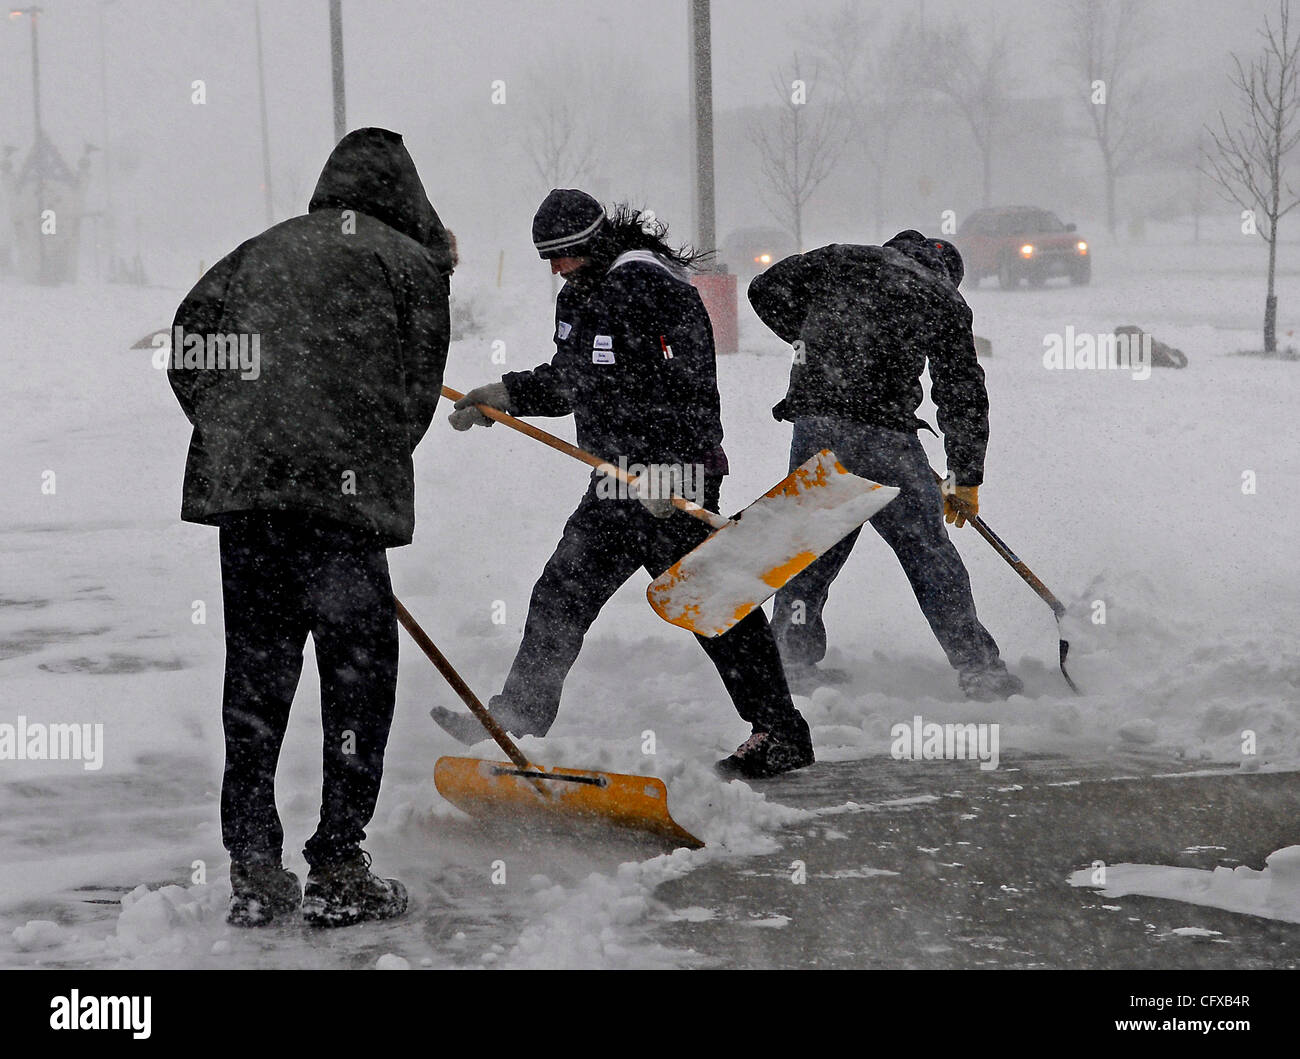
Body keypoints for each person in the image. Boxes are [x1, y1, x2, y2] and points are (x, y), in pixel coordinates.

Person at [167, 128, 453, 927]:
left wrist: (240, 434)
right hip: (342, 505)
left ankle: (254, 866)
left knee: (256, 680)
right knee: (357, 683)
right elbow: (416, 395)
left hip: (249, 501)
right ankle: (337, 863)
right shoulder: (407, 260)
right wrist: (356, 450)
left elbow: (187, 350)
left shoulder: (255, 252)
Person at [444, 188, 813, 778]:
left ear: (591, 243)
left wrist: (672, 471)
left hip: (675, 480)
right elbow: (571, 378)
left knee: (713, 606)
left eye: (562, 255)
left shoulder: (651, 286)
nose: (555, 268)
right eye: (547, 259)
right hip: (615, 481)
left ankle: (780, 731)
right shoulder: (578, 296)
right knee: (561, 593)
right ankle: (516, 721)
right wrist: (506, 394)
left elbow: (696, 385)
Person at [748, 230, 1024, 702]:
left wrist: (811, 336)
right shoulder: (943, 298)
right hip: (884, 435)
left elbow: (763, 290)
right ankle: (979, 669)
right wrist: (965, 476)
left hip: (817, 425)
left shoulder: (839, 257)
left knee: (811, 546)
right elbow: (960, 393)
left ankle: (790, 661)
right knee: (929, 556)